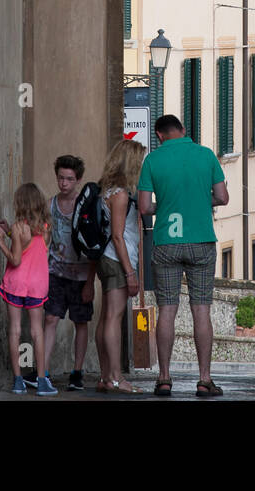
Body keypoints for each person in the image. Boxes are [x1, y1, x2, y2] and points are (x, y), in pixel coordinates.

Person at [137, 114, 229, 398]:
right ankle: (204, 380)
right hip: (201, 241)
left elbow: (143, 207)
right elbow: (223, 197)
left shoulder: (152, 160)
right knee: (201, 310)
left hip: (166, 243)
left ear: (159, 135)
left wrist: (163, 205)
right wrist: (201, 200)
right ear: (183, 131)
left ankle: (164, 378)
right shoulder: (205, 155)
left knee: (167, 310)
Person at [94, 138, 145, 394]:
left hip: (106, 258)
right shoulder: (121, 194)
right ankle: (115, 377)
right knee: (114, 317)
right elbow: (117, 235)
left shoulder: (108, 190)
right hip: (116, 259)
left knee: (105, 317)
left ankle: (105, 375)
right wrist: (130, 271)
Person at [0, 182, 57, 395]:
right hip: (37, 285)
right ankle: (41, 381)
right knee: (36, 331)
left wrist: (2, 241)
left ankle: (18, 381)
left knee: (15, 329)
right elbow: (32, 248)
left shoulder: (19, 227)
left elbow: (15, 260)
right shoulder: (45, 228)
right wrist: (10, 233)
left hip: (16, 283)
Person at [43, 155, 95, 391]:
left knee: (80, 322)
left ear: (78, 180)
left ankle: (77, 371)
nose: (64, 183)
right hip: (56, 271)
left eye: (69, 179)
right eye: (61, 178)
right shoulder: (51, 204)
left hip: (81, 275)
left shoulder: (85, 207)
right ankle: (42, 370)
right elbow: (45, 237)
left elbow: (94, 245)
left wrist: (90, 282)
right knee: (51, 318)